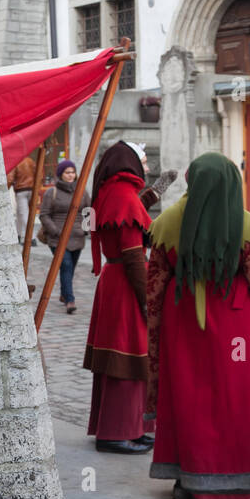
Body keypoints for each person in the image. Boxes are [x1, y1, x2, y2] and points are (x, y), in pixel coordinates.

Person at [145, 151, 250, 499]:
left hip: (183, 325)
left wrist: (157, 329)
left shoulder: (166, 223)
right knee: (242, 399)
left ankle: (189, 477)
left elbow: (154, 287)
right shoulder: (245, 224)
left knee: (190, 397)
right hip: (238, 326)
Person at [83, 141, 153, 452]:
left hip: (112, 282)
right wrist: (148, 296)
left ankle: (129, 427)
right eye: (144, 161)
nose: (147, 167)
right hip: (126, 283)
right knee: (128, 357)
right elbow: (133, 251)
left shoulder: (110, 192)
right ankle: (117, 431)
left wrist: (149, 198)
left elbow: (126, 222)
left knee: (119, 358)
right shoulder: (124, 195)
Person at [38, 158, 90, 313]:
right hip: (58, 238)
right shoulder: (51, 193)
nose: (71, 175)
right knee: (66, 265)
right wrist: (56, 231)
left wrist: (86, 230)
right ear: (61, 174)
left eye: (73, 172)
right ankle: (70, 300)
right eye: (67, 172)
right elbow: (44, 215)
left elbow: (89, 211)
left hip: (77, 238)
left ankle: (63, 293)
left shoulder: (82, 191)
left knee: (70, 268)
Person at [9, 154, 37, 243]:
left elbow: (10, 178)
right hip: (32, 189)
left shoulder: (16, 162)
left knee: (24, 214)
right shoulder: (31, 161)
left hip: (21, 190)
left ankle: (31, 238)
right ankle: (18, 235)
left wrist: (6, 188)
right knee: (20, 213)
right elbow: (39, 174)